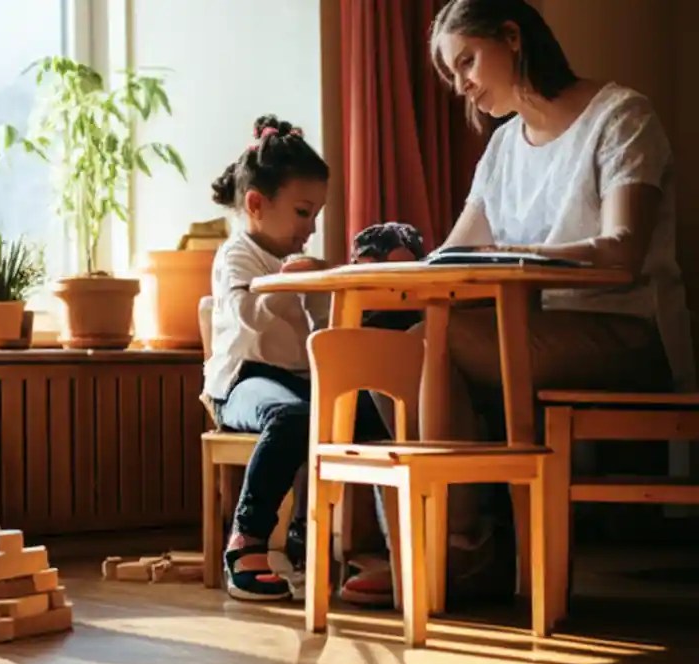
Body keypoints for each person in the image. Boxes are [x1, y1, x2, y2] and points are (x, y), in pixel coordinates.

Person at [415, 0, 694, 596]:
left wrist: (517, 257)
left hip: (626, 334)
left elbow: (622, 252)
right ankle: (447, 546)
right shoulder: (503, 147)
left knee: (432, 347)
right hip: (532, 332)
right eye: (451, 73)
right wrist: (395, 266)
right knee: (397, 348)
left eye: (467, 60)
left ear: (512, 37)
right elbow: (455, 252)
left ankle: (462, 555)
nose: (462, 85)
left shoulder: (620, 114)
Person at [204, 114, 391, 601]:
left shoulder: (298, 255)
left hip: (296, 376)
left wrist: (327, 282)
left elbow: (324, 327)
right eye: (303, 212)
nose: (310, 227)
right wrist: (288, 280)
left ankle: (338, 544)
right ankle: (247, 542)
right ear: (256, 205)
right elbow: (245, 315)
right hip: (243, 381)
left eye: (317, 214)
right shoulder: (237, 255)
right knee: (293, 418)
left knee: (376, 408)